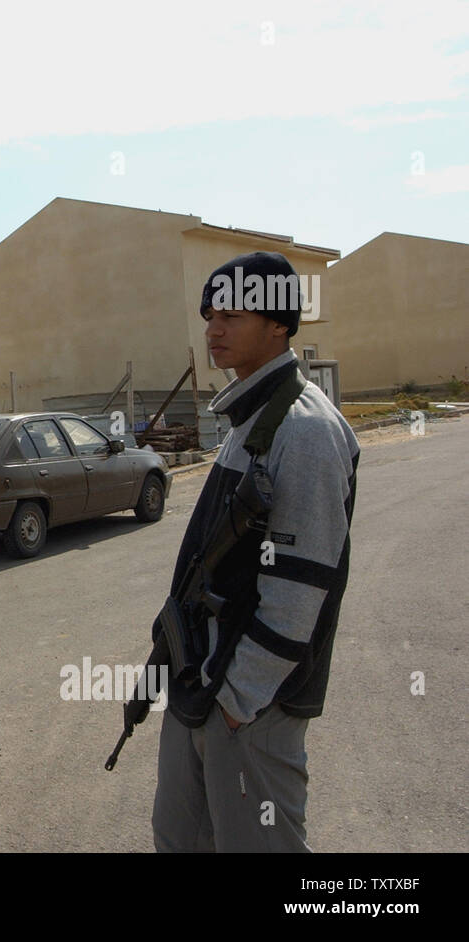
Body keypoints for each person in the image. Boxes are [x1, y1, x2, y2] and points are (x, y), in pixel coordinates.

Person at [152, 251, 360, 852]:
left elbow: (300, 588)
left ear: (279, 324)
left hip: (249, 705)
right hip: (201, 687)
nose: (213, 329)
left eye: (232, 314)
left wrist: (238, 702)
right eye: (210, 314)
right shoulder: (250, 416)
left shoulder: (305, 429)